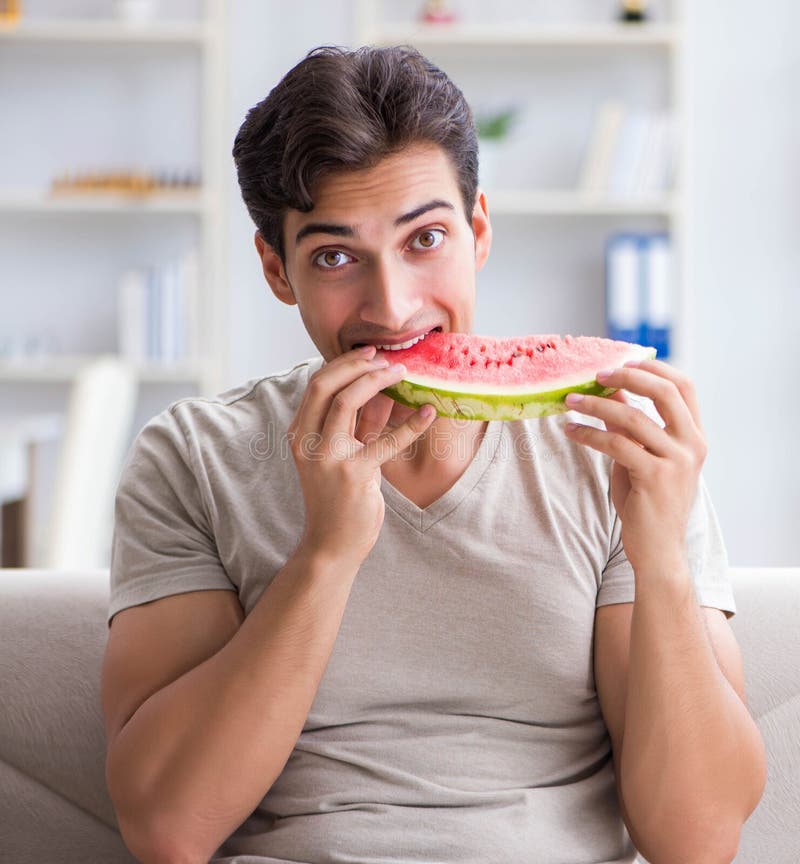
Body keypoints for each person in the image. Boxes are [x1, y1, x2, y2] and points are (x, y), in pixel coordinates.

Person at [101, 45, 766, 864]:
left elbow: (697, 840)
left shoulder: (621, 449)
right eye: (335, 257)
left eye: (425, 239)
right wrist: (326, 555)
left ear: (478, 230)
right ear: (277, 269)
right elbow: (168, 829)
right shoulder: (194, 459)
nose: (393, 305)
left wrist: (659, 557)